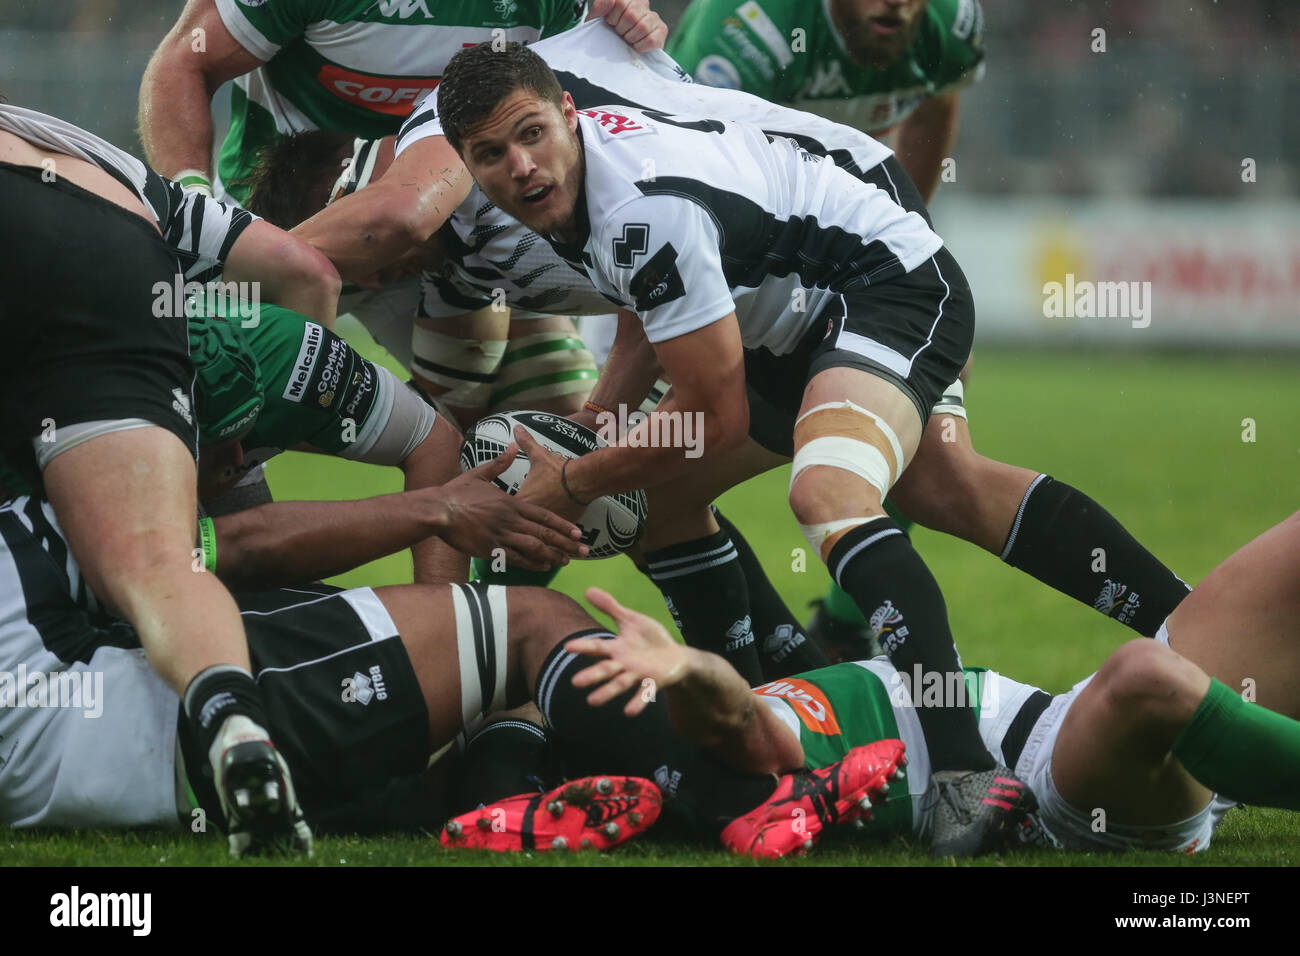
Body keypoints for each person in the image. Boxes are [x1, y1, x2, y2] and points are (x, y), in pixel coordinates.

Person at [436, 39, 1034, 856]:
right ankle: (765, 711)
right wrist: (596, 427)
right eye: (491, 155)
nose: (520, 165)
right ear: (470, 165)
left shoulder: (639, 195)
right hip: (813, 302)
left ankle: (965, 767)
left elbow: (707, 414)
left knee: (870, 493)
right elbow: (647, 312)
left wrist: (574, 477)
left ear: (568, 116)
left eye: (531, 135)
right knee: (677, 502)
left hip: (856, 292)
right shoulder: (584, 185)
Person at [0, 491, 894, 860]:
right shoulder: (77, 454)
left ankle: (498, 796)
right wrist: (438, 507)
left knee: (465, 677)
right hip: (161, 714)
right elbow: (225, 548)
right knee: (535, 630)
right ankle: (751, 799)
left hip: (93, 759)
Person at [539, 506, 1300, 855]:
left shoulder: (783, 680)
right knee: (1143, 675)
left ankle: (1234, 748)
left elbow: (705, 552)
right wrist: (684, 669)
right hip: (1062, 793)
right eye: (626, 686)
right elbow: (735, 721)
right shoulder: (743, 758)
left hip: (1064, 720)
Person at [0, 104, 339, 856]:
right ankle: (232, 721)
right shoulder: (84, 150)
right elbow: (307, 271)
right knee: (156, 563)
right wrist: (229, 457)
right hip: (112, 246)